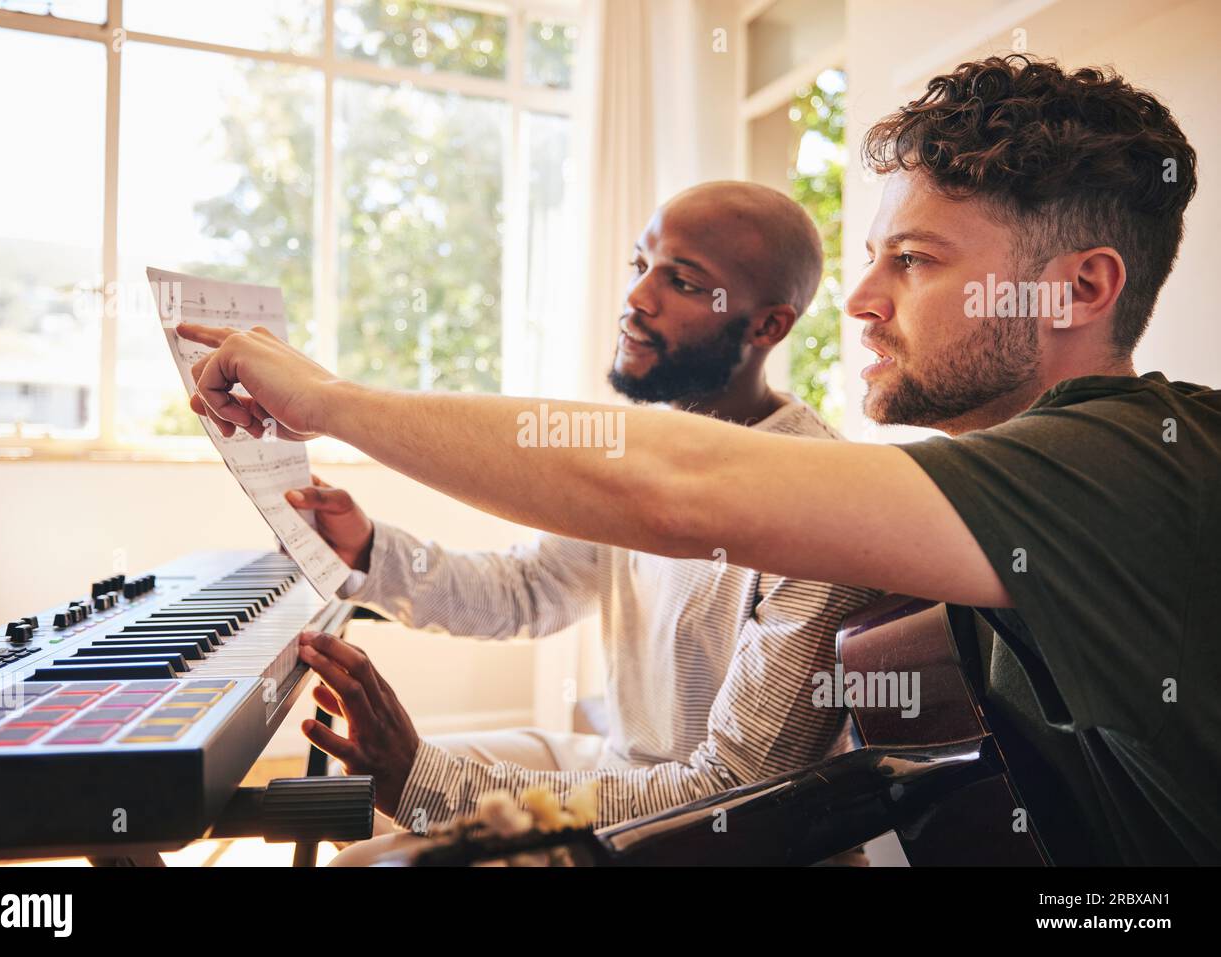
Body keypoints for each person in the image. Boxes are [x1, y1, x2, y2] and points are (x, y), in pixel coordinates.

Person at [180, 55, 1219, 864]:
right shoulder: (996, 502)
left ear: (1076, 291)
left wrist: (328, 400)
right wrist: (377, 558)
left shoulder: (1136, 463)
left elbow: (674, 489)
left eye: (913, 261)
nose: (860, 302)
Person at [287, 183, 877, 863]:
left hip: (717, 838)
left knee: (369, 857)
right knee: (357, 798)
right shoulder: (640, 452)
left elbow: (735, 790)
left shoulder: (815, 498)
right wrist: (369, 549)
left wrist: (424, 777)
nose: (636, 298)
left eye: (681, 281)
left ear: (767, 326)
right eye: (640, 266)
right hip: (624, 765)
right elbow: (529, 588)